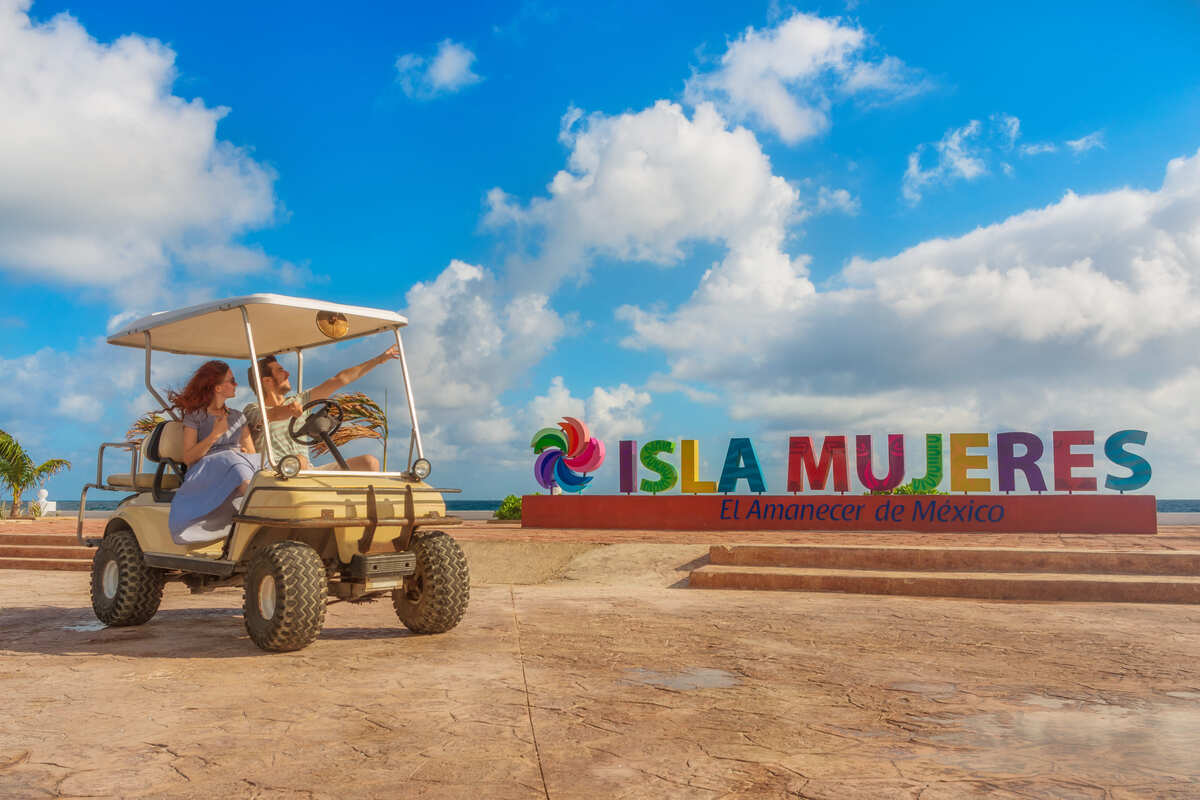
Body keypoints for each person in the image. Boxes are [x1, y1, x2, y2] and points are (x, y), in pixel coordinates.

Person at [244, 346, 399, 471]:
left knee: (369, 462)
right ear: (267, 381)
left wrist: (379, 360)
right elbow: (272, 414)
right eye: (280, 371)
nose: (287, 373)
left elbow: (340, 379)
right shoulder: (252, 409)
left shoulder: (300, 400)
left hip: (307, 470)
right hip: (277, 473)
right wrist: (290, 410)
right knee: (300, 460)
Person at [166, 361, 258, 544]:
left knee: (271, 462)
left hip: (235, 465)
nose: (236, 385)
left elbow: (252, 453)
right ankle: (255, 514)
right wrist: (214, 435)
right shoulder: (195, 417)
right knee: (232, 460)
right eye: (231, 381)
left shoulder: (238, 417)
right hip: (205, 468)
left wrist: (244, 453)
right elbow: (189, 458)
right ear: (217, 387)